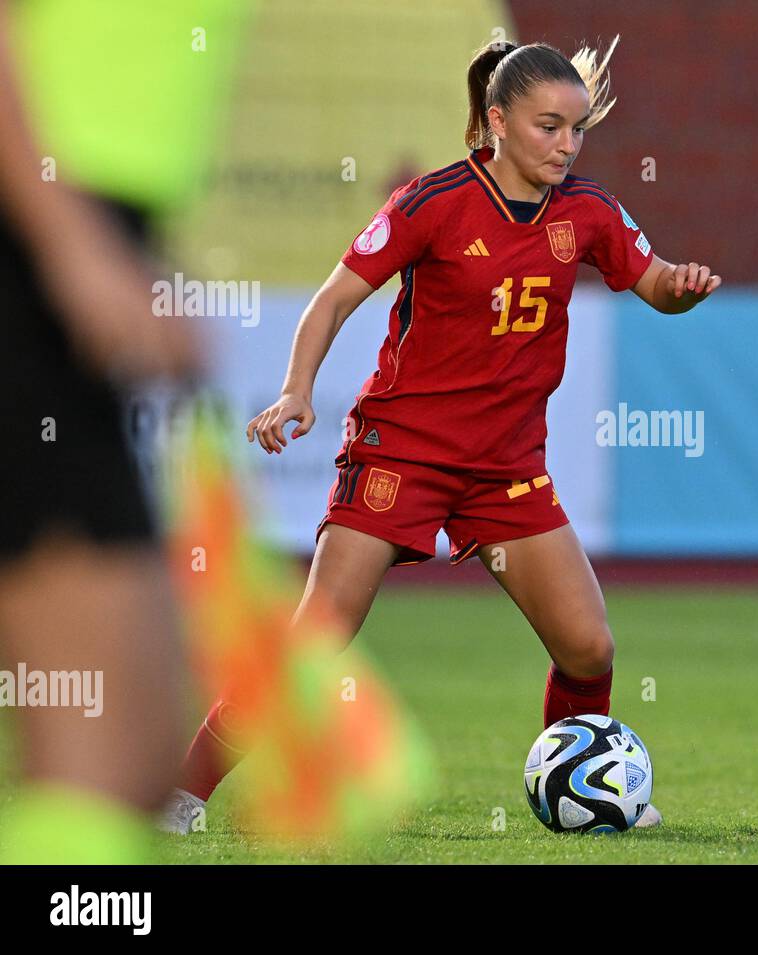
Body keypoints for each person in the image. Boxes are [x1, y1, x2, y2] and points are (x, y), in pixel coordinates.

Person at [163, 35, 720, 834]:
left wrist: (683, 287)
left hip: (506, 469)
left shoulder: (587, 212)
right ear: (496, 120)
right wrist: (296, 391)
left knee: (589, 647)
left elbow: (655, 280)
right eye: (546, 126)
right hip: (404, 452)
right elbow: (331, 299)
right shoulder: (433, 203)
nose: (565, 145)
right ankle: (183, 790)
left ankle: (578, 782)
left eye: (576, 129)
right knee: (316, 640)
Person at [0, 0, 248, 862]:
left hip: (61, 237)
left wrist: (122, 252)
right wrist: (76, 247)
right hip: (31, 246)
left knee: (138, 764)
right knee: (98, 769)